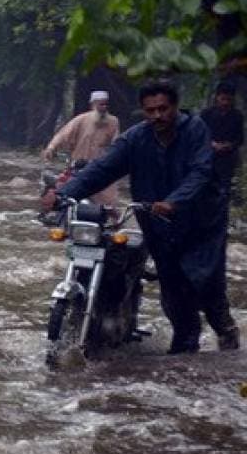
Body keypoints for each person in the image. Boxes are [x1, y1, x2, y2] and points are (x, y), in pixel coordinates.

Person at [43, 81, 239, 353]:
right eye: (151, 111)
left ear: (174, 106)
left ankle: (226, 332)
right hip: (158, 224)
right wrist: (64, 193)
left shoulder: (195, 130)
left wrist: (174, 202)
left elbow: (200, 173)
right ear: (143, 112)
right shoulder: (136, 138)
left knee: (205, 283)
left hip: (201, 223)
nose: (157, 116)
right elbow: (102, 168)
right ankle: (184, 352)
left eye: (163, 109)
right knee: (173, 290)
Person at [42, 90, 122, 205]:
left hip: (102, 168)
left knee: (109, 204)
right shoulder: (81, 120)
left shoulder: (113, 122)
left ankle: (115, 222)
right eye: (101, 104)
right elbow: (63, 134)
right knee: (67, 198)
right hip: (79, 167)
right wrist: (51, 148)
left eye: (106, 104)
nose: (104, 107)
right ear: (93, 105)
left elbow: (117, 144)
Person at [199, 81, 243, 202]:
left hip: (227, 158)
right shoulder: (206, 114)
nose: (225, 103)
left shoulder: (237, 116)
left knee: (225, 189)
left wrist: (229, 145)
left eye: (229, 100)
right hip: (208, 156)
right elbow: (200, 134)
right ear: (217, 97)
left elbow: (240, 138)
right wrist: (211, 144)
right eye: (223, 99)